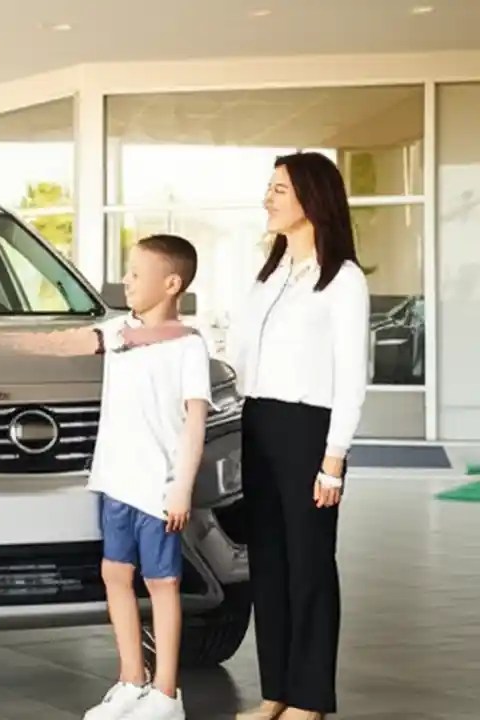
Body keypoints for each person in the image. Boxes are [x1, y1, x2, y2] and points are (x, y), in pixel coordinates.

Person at [42, 234, 209, 720]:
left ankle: (166, 694)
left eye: (136, 274)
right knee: (115, 574)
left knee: (162, 584)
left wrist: (181, 485)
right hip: (114, 481)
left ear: (172, 283)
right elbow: (73, 342)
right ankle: (131, 679)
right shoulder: (117, 332)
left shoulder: (188, 345)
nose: (126, 282)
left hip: (158, 487)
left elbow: (195, 420)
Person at [233, 153, 369, 720]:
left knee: (310, 562)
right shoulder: (268, 276)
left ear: (312, 199)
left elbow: (353, 376)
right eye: (269, 188)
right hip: (258, 421)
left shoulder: (343, 279)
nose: (268, 198)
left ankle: (309, 699)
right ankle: (276, 692)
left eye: (279, 189)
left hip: (309, 429)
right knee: (267, 561)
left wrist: (333, 459)